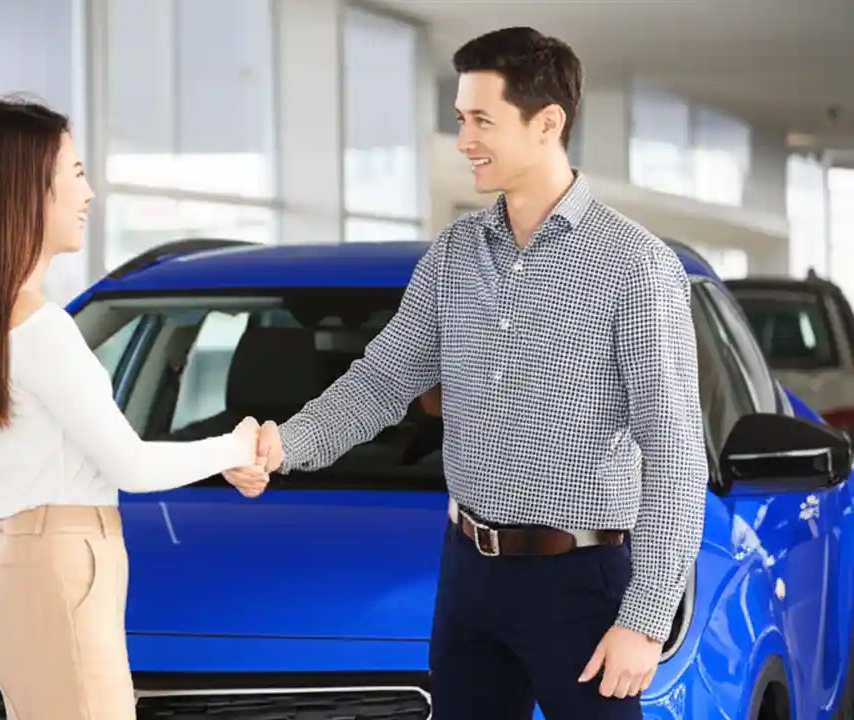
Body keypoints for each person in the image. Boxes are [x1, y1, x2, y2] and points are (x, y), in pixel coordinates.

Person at [226, 27, 706, 719]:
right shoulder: (454, 255)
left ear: (548, 124)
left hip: (580, 584)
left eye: (483, 120)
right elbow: (380, 381)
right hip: (469, 575)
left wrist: (647, 616)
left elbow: (674, 450)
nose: (464, 139)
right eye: (460, 119)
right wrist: (284, 445)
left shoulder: (634, 267)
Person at [0, 98, 266, 720]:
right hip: (62, 573)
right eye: (75, 173)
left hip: (35, 572)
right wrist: (237, 447)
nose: (90, 192)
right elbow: (130, 466)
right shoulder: (43, 328)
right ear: (27, 189)